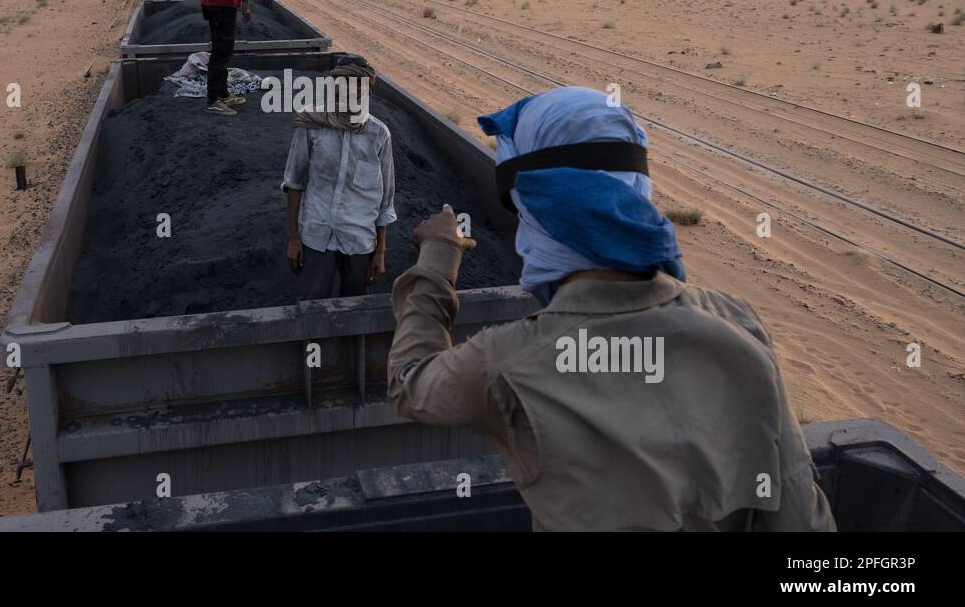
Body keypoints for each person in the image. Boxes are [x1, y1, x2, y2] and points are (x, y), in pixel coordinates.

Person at [387, 86, 836, 531]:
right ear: (638, 187)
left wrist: (438, 258)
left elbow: (412, 383)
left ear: (531, 205)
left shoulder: (506, 361)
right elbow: (800, 518)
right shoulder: (739, 324)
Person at [282, 57, 396, 300]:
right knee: (313, 304)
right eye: (344, 85)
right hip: (316, 233)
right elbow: (294, 182)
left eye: (358, 87)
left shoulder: (379, 135)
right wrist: (293, 239)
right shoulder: (312, 125)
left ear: (368, 91)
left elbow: (385, 198)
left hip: (359, 238)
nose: (351, 92)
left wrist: (380, 251)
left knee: (354, 307)